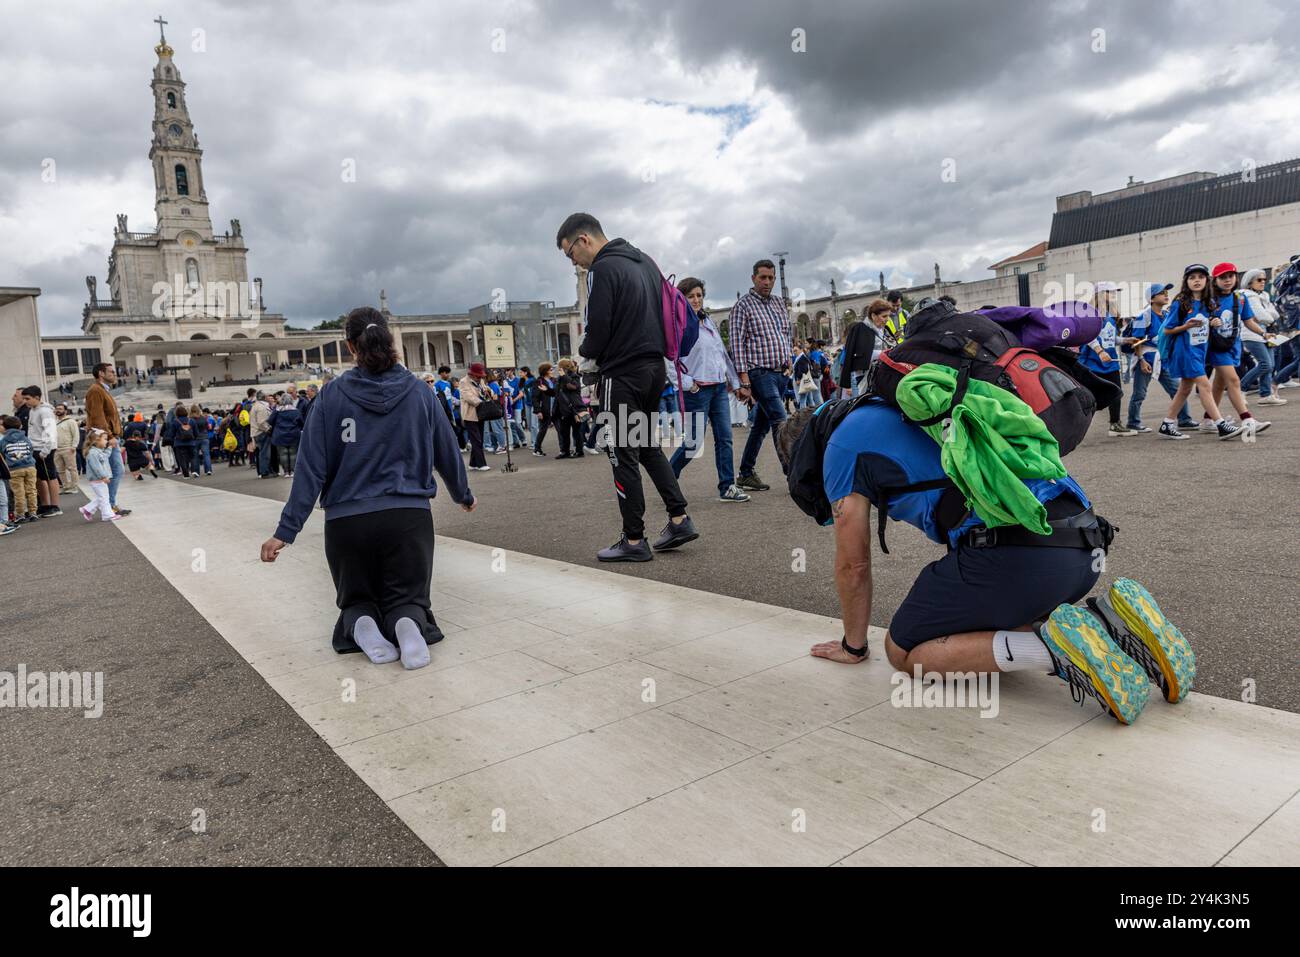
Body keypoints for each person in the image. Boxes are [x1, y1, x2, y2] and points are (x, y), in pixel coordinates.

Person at [776, 401, 1192, 726]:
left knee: (904, 652)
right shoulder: (894, 406)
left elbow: (854, 565)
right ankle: (1116, 634)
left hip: (1021, 560)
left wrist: (853, 645)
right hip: (1083, 546)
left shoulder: (840, 447)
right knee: (976, 623)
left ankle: (1057, 649)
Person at [260, 307, 476, 670]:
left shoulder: (329, 397)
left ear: (349, 346)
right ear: (390, 340)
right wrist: (462, 494)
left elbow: (310, 467)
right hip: (408, 515)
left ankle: (363, 627)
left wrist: (286, 531)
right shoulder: (420, 393)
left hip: (348, 519)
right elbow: (447, 451)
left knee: (357, 596)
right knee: (408, 595)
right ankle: (408, 627)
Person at [558, 212, 696, 561]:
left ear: (584, 239)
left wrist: (584, 354)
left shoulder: (602, 269)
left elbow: (599, 326)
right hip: (653, 370)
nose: (572, 260)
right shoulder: (645, 261)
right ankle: (679, 517)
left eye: (569, 252)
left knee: (622, 454)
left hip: (621, 373)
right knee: (648, 446)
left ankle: (634, 540)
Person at [668, 276, 749, 502]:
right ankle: (667, 476)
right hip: (696, 390)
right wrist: (686, 383)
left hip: (718, 388)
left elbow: (721, 354)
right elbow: (667, 358)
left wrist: (735, 383)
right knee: (693, 443)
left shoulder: (708, 321)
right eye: (690, 296)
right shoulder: (677, 324)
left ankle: (727, 486)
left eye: (699, 296)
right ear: (681, 298)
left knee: (725, 437)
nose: (696, 300)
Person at [729, 259, 793, 493]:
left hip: (780, 373)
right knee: (781, 421)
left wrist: (789, 360)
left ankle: (746, 473)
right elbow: (737, 344)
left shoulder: (778, 303)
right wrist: (744, 380)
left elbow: (785, 333)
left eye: (771, 278)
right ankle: (794, 474)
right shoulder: (742, 306)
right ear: (753, 278)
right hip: (759, 373)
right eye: (763, 277)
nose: (767, 282)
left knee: (761, 426)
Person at [1156, 264, 1241, 440]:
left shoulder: (1208, 303)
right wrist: (1186, 326)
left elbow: (1205, 324)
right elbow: (1167, 330)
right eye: (1192, 277)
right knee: (1205, 385)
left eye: (1200, 277)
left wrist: (1213, 323)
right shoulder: (1181, 302)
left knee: (1185, 388)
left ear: (1206, 280)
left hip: (1199, 351)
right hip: (1185, 351)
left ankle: (1167, 423)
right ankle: (1220, 425)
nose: (1196, 281)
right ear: (1186, 281)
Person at [1204, 262, 1271, 434]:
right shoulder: (1208, 299)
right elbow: (1197, 320)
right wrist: (1210, 322)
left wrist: (1263, 334)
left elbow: (1248, 321)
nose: (1227, 280)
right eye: (1223, 277)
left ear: (1236, 278)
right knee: (1233, 381)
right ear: (1215, 280)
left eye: (1230, 276)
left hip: (1233, 346)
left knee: (1219, 385)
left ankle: (1208, 419)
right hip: (1216, 347)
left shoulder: (1240, 298)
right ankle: (1247, 419)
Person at [1124, 283, 1194, 433]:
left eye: (1166, 292)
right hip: (1146, 358)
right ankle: (1133, 422)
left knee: (1176, 389)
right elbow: (1136, 340)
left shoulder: (1167, 315)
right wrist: (1141, 360)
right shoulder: (1143, 316)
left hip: (1162, 358)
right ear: (1152, 298)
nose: (1166, 295)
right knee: (1139, 393)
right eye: (1162, 293)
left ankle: (1185, 419)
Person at [1079, 287, 1133, 436]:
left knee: (1116, 393)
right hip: (1093, 362)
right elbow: (1088, 335)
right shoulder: (1091, 314)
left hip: (1110, 362)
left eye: (1115, 292)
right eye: (1110, 292)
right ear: (1100, 294)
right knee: (1090, 397)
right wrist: (1100, 351)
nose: (1114, 295)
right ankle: (1074, 424)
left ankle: (1115, 425)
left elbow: (1110, 339)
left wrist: (1126, 340)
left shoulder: (1110, 315)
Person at [84, 363, 129, 515]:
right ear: (101, 373)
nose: (115, 374)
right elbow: (97, 417)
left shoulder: (102, 390)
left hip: (109, 436)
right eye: (111, 372)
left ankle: (108, 504)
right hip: (104, 438)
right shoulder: (96, 390)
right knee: (116, 470)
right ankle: (109, 504)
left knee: (114, 471)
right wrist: (109, 436)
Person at [1238, 268, 1286, 405]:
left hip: (1267, 334)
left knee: (1270, 366)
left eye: (1264, 279)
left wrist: (1266, 315)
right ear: (1249, 282)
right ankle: (1240, 389)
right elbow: (1263, 316)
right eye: (1259, 280)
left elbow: (1274, 315)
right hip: (1251, 334)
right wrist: (1266, 315)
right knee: (1266, 364)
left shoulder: (1264, 295)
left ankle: (1266, 395)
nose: (1263, 282)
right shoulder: (1248, 295)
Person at [21, 386, 63, 515]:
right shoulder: (33, 410)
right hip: (35, 448)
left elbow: (50, 432)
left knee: (50, 476)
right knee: (40, 478)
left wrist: (45, 451)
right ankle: (45, 505)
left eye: (27, 398)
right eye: (24, 399)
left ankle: (55, 506)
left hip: (44, 449)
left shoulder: (45, 411)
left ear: (37, 398)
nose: (25, 401)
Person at [0, 415, 40, 524]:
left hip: (14, 469)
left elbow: (2, 454)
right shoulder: (25, 438)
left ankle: (20, 514)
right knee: (32, 490)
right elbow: (31, 449)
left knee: (19, 493)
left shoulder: (4, 440)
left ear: (5, 427)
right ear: (19, 426)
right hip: (30, 467)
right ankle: (33, 513)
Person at [78, 428, 121, 523]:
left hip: (99, 480)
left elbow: (105, 457)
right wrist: (103, 477)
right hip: (98, 480)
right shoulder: (93, 453)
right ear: (96, 440)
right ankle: (107, 515)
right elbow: (96, 467)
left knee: (102, 497)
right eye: (105, 439)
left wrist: (109, 447)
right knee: (104, 498)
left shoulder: (97, 451)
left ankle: (87, 509)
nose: (106, 441)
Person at [460, 363, 492, 472]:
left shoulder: (480, 381)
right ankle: (481, 464)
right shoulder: (464, 382)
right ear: (472, 374)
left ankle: (473, 463)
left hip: (480, 414)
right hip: (470, 414)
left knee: (479, 439)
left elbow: (485, 389)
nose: (480, 378)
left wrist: (489, 392)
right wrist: (481, 403)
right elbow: (468, 397)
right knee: (476, 440)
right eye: (478, 376)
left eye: (481, 376)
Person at [553, 358, 587, 459]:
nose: (558, 369)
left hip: (574, 408)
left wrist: (564, 376)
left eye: (559, 367)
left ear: (564, 368)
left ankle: (579, 451)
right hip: (563, 409)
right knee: (564, 432)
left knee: (577, 432)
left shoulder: (574, 376)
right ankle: (565, 451)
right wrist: (547, 391)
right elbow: (557, 392)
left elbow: (573, 387)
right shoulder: (560, 378)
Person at [529, 362, 554, 456]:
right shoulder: (538, 382)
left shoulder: (553, 380)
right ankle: (537, 449)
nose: (552, 371)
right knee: (543, 430)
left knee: (560, 430)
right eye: (551, 369)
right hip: (545, 410)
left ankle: (564, 450)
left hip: (555, 409)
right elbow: (534, 397)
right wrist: (538, 411)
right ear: (545, 371)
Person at [54, 403, 80, 491]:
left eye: (60, 409)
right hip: (56, 449)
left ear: (65, 411)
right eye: (57, 409)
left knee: (72, 468)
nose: (58, 410)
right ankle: (65, 486)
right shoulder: (54, 422)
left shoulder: (70, 421)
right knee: (60, 470)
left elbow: (76, 434)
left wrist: (74, 446)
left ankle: (74, 487)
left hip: (68, 448)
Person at [250, 391, 274, 477]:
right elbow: (261, 422)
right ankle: (265, 472)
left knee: (261, 453)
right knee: (265, 453)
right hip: (261, 432)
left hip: (256, 432)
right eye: (267, 396)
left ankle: (263, 471)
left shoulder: (256, 405)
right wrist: (268, 429)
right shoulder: (261, 407)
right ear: (264, 397)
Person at [172, 405, 198, 477]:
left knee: (181, 459)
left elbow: (172, 433)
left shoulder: (175, 422)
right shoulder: (191, 420)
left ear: (177, 413)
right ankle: (193, 470)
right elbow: (196, 433)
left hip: (179, 443)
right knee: (192, 457)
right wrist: (193, 439)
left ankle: (186, 474)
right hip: (191, 442)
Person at [189, 403, 213, 476]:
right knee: (206, 454)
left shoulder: (190, 420)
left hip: (194, 439)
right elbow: (208, 427)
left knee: (195, 455)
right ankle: (208, 470)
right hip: (204, 437)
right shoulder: (203, 418)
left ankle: (196, 471)